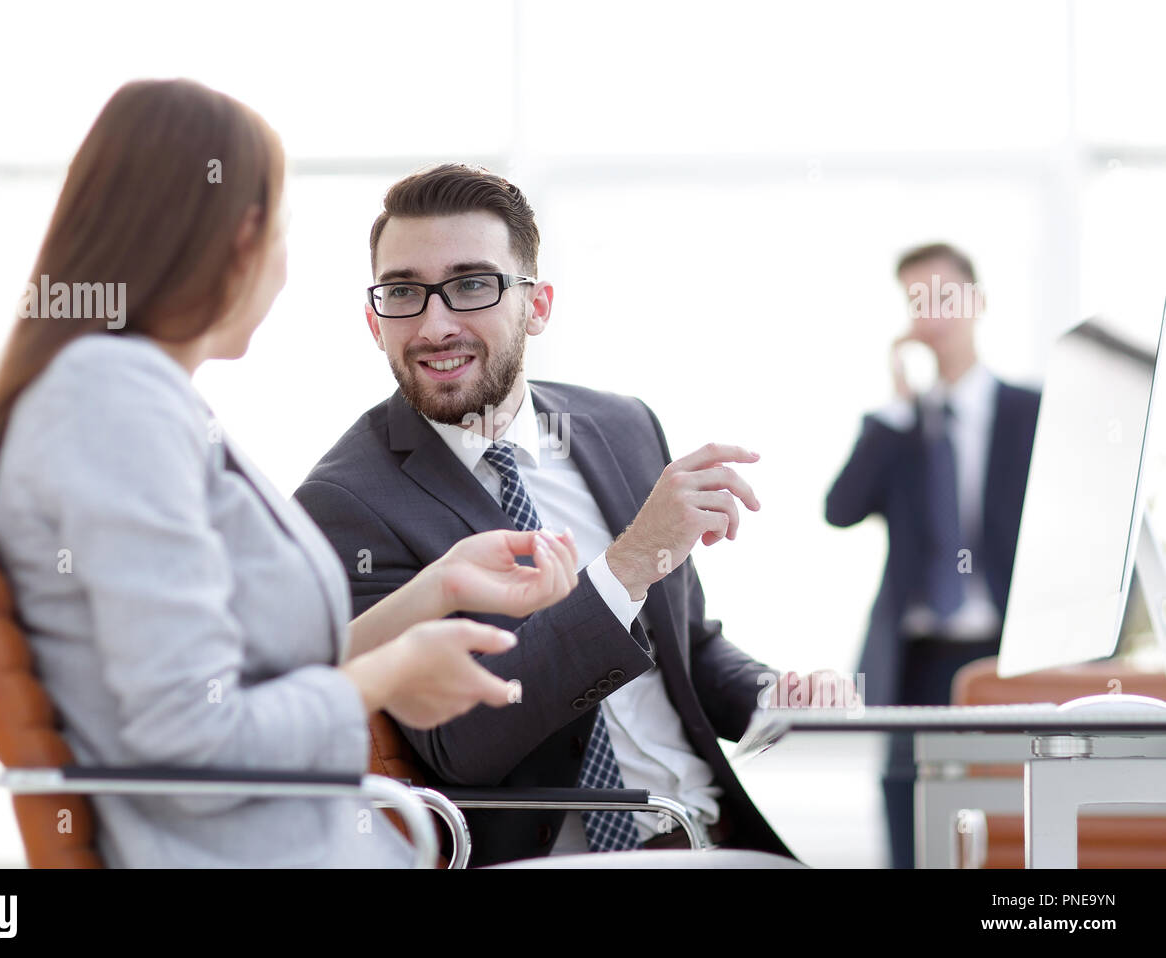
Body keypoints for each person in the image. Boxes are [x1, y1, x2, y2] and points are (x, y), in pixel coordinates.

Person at [0, 80, 582, 868]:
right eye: (283, 233)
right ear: (243, 232)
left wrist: (444, 585)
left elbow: (251, 683)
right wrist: (389, 675)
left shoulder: (136, 398)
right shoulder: (113, 405)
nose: (284, 272)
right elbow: (194, 739)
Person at [295, 163, 854, 867]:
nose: (435, 325)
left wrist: (780, 699)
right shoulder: (347, 503)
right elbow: (462, 745)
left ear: (538, 306)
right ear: (374, 322)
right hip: (560, 857)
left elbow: (689, 646)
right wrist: (626, 564)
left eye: (472, 285)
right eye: (404, 292)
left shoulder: (619, 426)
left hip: (717, 834)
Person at [825, 242, 1040, 868]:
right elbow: (840, 510)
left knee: (1011, 811)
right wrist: (898, 408)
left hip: (1005, 650)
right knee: (908, 807)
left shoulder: (1030, 413)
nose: (932, 313)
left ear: (978, 302)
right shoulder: (899, 426)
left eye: (944, 295)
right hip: (915, 655)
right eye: (917, 300)